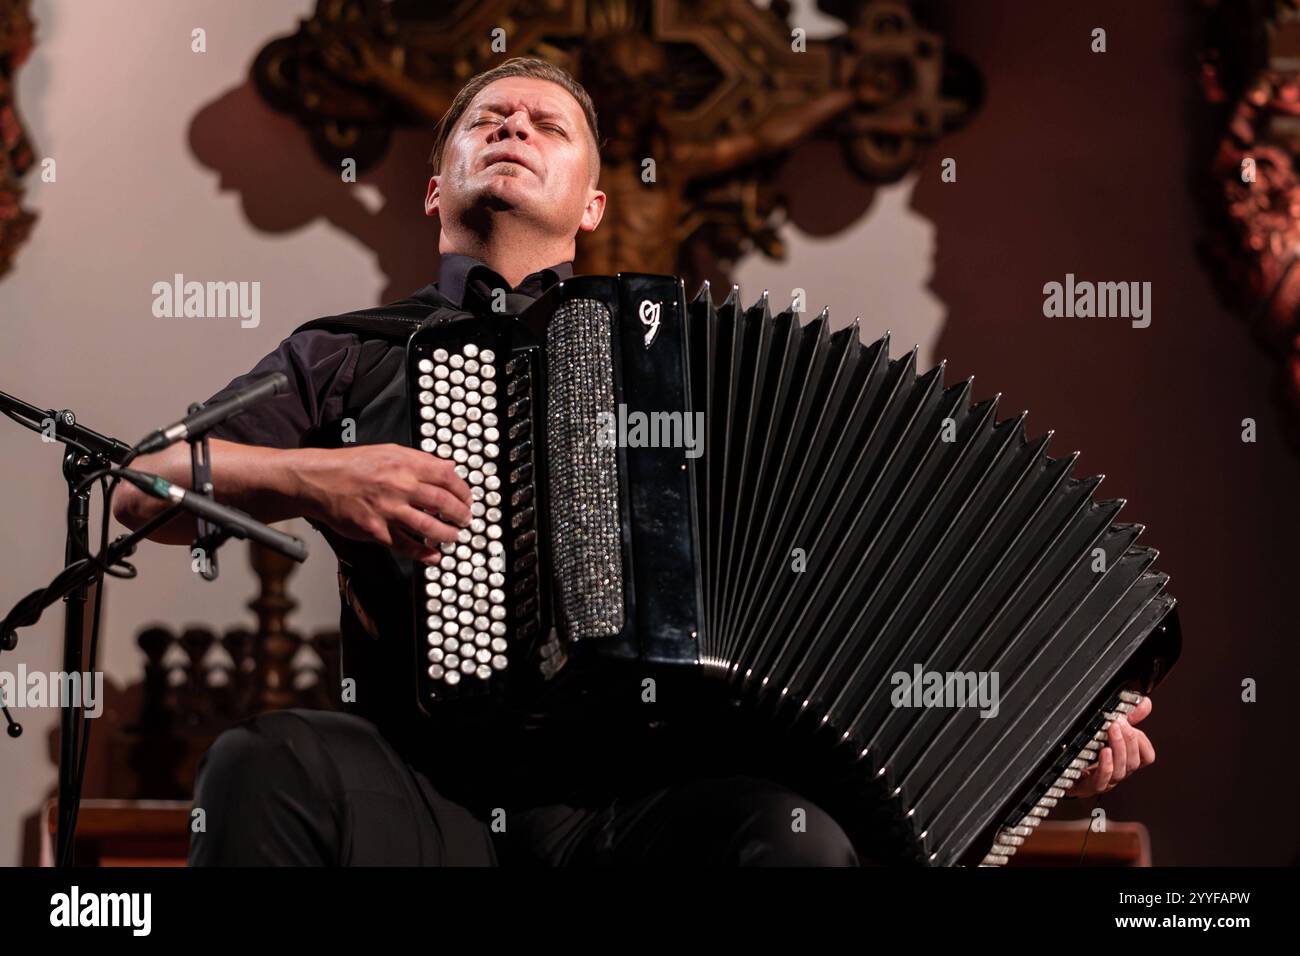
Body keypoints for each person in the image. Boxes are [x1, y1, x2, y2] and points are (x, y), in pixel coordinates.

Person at [112, 57, 1154, 867]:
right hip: (431, 780)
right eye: (488, 121)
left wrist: (1042, 737)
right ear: (436, 191)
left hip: (646, 800)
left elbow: (871, 601)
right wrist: (314, 478)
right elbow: (136, 487)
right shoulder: (346, 353)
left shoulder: (685, 365)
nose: (514, 128)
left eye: (547, 125)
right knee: (261, 764)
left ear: (595, 205)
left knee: (791, 833)